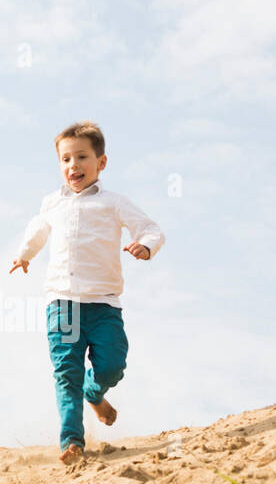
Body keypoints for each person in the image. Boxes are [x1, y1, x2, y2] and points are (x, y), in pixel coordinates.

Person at [11, 121, 165, 465]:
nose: (73, 166)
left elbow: (151, 228)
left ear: (101, 162)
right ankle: (72, 441)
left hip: (103, 304)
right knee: (67, 372)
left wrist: (145, 246)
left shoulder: (114, 203)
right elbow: (38, 229)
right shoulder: (52, 203)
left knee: (112, 365)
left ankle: (94, 392)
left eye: (81, 157)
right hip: (62, 304)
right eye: (65, 159)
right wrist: (24, 255)